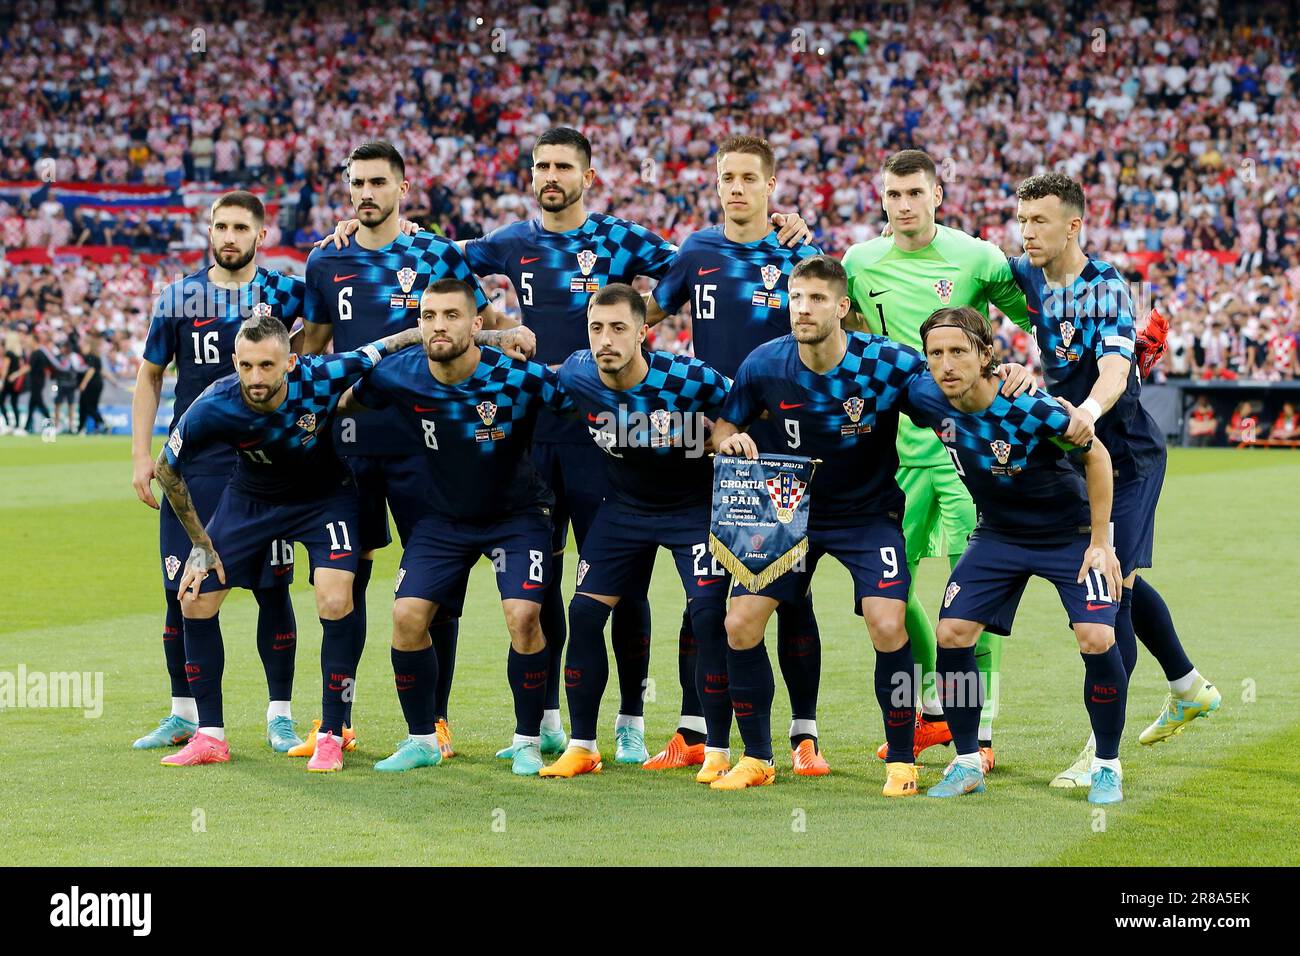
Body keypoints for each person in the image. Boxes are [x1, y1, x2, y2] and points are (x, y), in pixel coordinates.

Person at [300, 141, 530, 762]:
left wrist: (517, 337)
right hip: (349, 446)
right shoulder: (326, 261)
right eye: (357, 183)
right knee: (346, 579)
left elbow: (493, 326)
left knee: (435, 584)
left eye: (378, 182)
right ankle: (336, 723)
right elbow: (313, 349)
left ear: (405, 188)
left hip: (425, 447)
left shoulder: (435, 253)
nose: (365, 193)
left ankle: (436, 721)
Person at [1011, 172, 1219, 789]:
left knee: (1105, 586)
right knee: (1120, 581)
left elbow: (1112, 367)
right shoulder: (1026, 273)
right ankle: (1186, 686)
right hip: (1078, 458)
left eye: (1039, 222)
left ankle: (1101, 752)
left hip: (1124, 457)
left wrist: (1088, 413)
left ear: (1074, 224)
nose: (1027, 233)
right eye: (1022, 221)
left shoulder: (1104, 288)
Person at [152, 315, 422, 770]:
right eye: (247, 366)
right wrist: (201, 543)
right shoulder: (214, 402)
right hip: (252, 499)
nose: (256, 378)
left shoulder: (326, 375)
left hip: (324, 499)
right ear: (235, 362)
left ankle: (332, 736)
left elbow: (392, 342)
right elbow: (165, 468)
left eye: (267, 366)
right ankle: (210, 736)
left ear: (291, 362)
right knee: (194, 597)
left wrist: (491, 335)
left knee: (335, 598)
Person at [840, 149, 1035, 771]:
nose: (903, 206)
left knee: (972, 591)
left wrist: (1027, 369)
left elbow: (1038, 316)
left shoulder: (976, 257)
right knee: (894, 593)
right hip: (891, 450)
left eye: (915, 194)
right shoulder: (859, 261)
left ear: (938, 195)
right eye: (893, 195)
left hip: (965, 453)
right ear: (882, 198)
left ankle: (980, 727)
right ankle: (935, 712)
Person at [643, 134, 830, 775]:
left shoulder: (798, 252)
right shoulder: (696, 250)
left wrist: (807, 245)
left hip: (785, 443)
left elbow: (841, 319)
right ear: (716, 182)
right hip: (714, 441)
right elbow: (647, 313)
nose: (737, 187)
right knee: (708, 590)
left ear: (771, 184)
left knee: (789, 594)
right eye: (728, 177)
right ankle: (695, 730)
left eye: (750, 177)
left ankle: (803, 735)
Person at [339, 279, 570, 776]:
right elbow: (339, 401)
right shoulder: (399, 374)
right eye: (428, 316)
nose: (438, 326)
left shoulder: (517, 378)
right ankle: (422, 738)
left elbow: (584, 404)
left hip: (517, 517)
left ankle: (528, 739)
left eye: (450, 315)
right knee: (405, 619)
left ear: (476, 324)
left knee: (522, 618)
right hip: (442, 520)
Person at [710, 255, 922, 795]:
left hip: (867, 515)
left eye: (817, 299)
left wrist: (1007, 374)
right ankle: (757, 757)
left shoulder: (889, 363)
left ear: (843, 307)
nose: (803, 309)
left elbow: (953, 386)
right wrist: (730, 440)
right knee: (739, 623)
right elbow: (724, 424)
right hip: (785, 511)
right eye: (796, 297)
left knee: (888, 624)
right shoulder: (764, 363)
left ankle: (902, 759)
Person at [906, 306, 1127, 804]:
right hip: (998, 536)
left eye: (959, 352)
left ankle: (1107, 764)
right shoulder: (924, 395)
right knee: (952, 633)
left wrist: (1100, 543)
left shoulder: (1030, 407)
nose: (946, 364)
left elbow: (1097, 456)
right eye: (936, 354)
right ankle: (965, 762)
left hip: (1067, 535)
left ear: (987, 355)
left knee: (1096, 637)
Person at [130, 191, 306, 753]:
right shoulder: (179, 297)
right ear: (209, 231)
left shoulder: (283, 292)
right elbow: (151, 376)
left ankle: (280, 715)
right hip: (193, 472)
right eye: (219, 226)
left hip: (264, 468)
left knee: (272, 592)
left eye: (240, 227)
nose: (228, 236)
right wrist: (141, 456)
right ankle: (185, 713)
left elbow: (324, 330)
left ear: (261, 233)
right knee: (177, 592)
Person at [538, 284, 733, 782]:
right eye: (597, 328)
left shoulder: (689, 378)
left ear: (644, 333)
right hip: (623, 510)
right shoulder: (580, 372)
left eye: (619, 328)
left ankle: (712, 746)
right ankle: (582, 745)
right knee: (583, 613)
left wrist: (722, 435)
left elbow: (745, 404)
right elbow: (534, 384)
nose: (606, 339)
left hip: (692, 511)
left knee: (709, 616)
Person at [23, 330, 53, 434]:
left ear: (34, 341)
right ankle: (26, 428)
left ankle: (50, 424)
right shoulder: (39, 353)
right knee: (32, 405)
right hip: (37, 382)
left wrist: (15, 375)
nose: (27, 342)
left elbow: (29, 367)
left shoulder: (37, 353)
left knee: (39, 404)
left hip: (37, 382)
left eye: (29, 340)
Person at [77, 335, 106, 434]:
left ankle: (100, 423)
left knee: (87, 406)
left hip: (92, 384)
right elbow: (102, 371)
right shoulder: (96, 357)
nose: (81, 347)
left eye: (83, 345)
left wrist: (83, 383)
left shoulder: (90, 357)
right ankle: (94, 427)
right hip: (98, 384)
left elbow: (91, 370)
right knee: (91, 406)